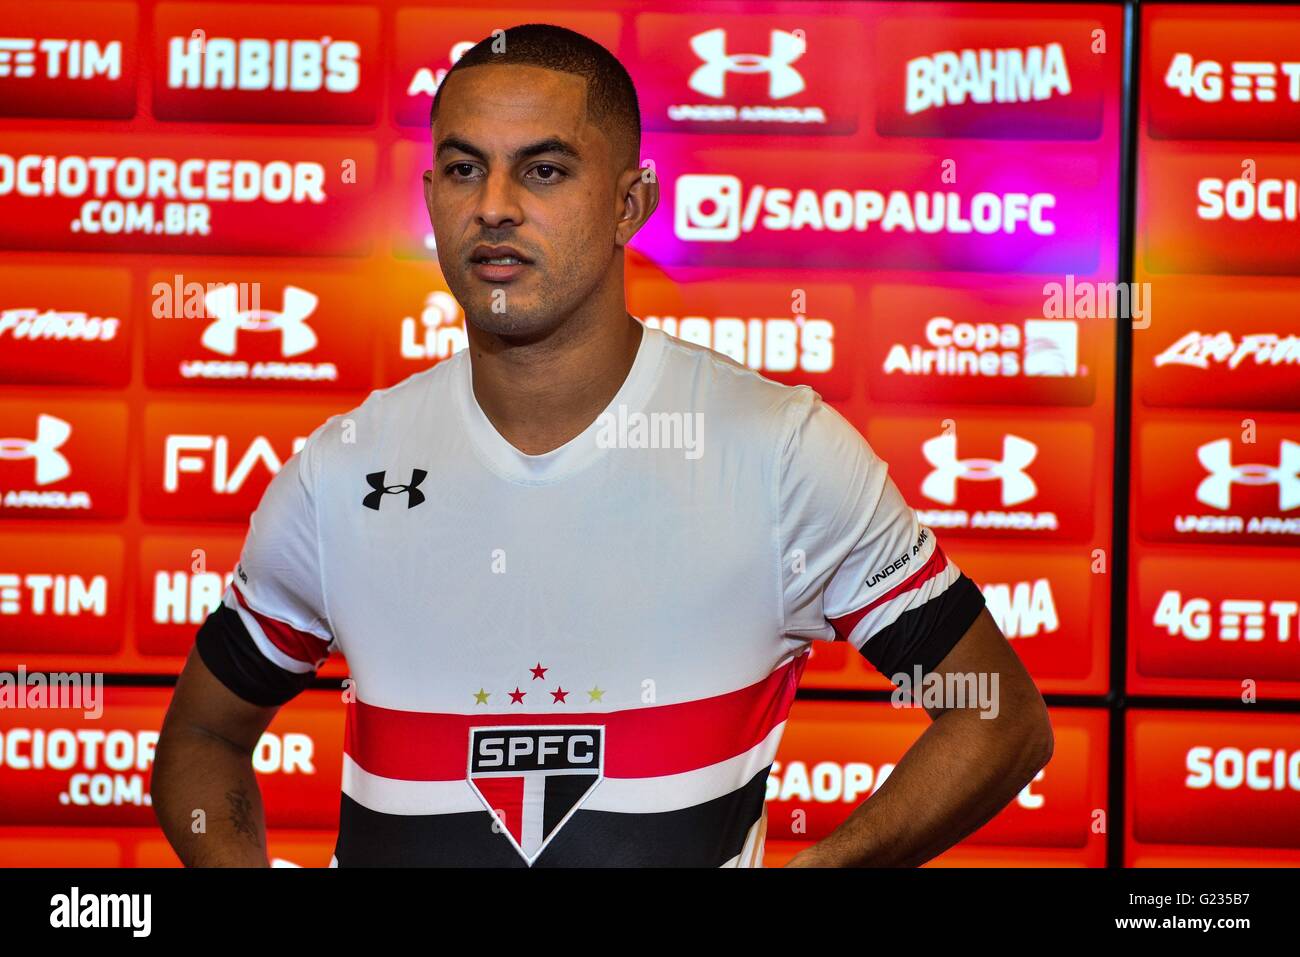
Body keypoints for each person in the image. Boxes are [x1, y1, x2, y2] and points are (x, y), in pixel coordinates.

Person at [153, 23, 1052, 868]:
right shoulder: (342, 471)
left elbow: (998, 716)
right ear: (431, 198)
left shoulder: (776, 453)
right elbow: (204, 735)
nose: (495, 207)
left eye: (543, 171)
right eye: (465, 169)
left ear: (631, 203)